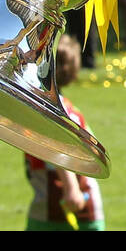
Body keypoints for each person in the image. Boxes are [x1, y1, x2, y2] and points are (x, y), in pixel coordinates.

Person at [24, 36, 105, 231]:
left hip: (65, 201)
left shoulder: (59, 110)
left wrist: (71, 189)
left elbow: (61, 145)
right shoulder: (56, 105)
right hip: (54, 197)